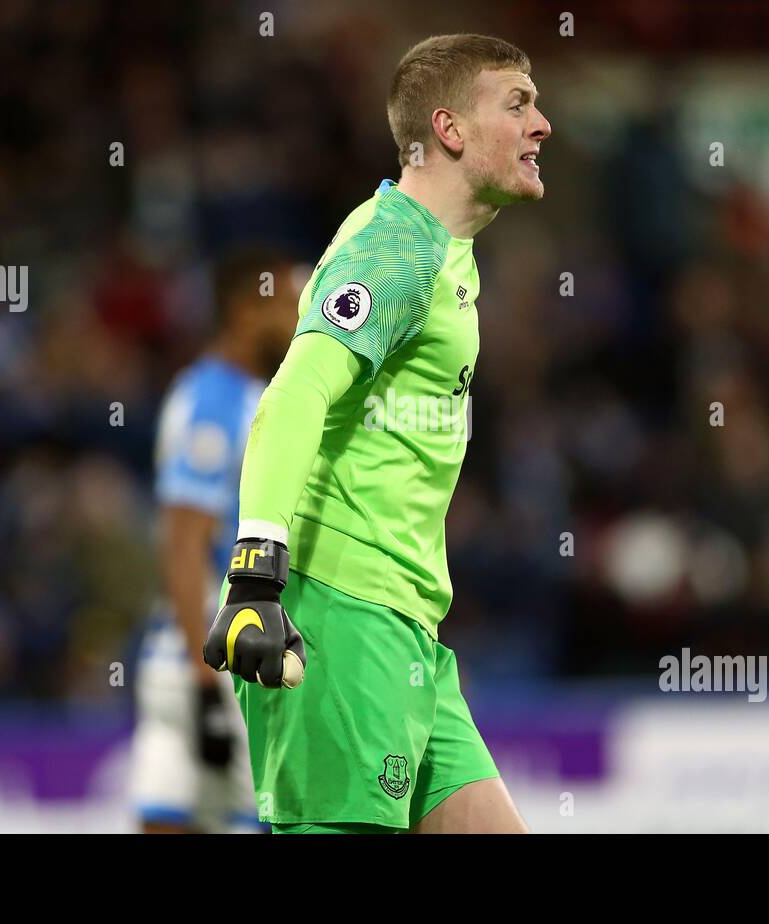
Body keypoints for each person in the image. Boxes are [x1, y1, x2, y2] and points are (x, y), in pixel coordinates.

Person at [202, 33, 551, 834]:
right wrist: (255, 579)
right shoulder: (394, 248)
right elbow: (294, 395)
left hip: (407, 625)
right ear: (452, 130)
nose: (544, 125)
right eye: (518, 104)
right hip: (341, 615)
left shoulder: (447, 253)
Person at [129, 248, 300, 833]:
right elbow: (182, 542)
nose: (297, 315)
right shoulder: (214, 400)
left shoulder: (256, 392)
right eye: (282, 300)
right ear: (243, 309)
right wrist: (205, 686)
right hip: (214, 648)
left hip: (212, 650)